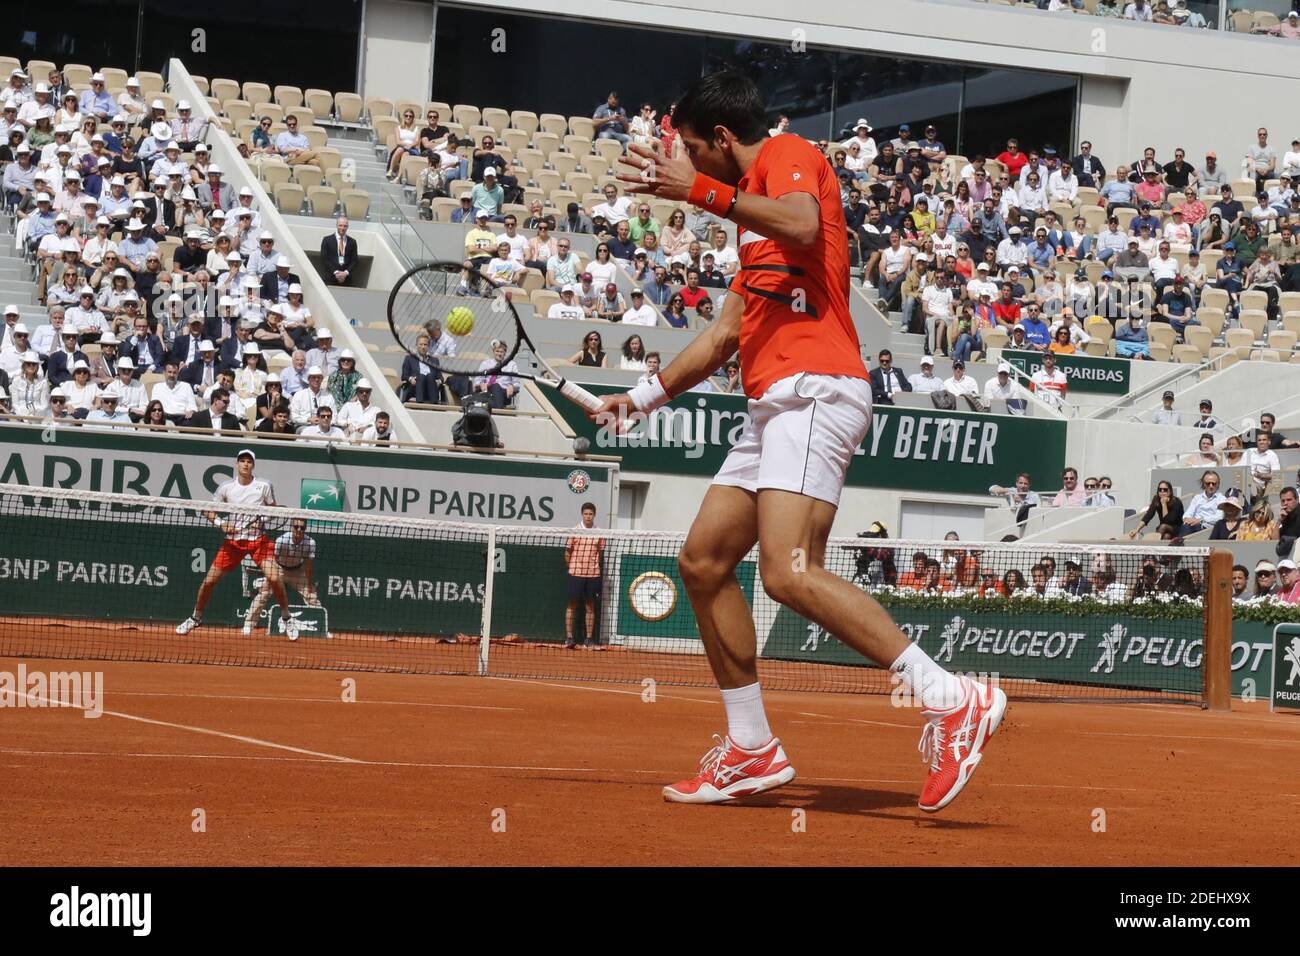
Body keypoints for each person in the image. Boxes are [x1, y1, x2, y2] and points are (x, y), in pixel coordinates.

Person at [593, 71, 1003, 810]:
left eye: (691, 150)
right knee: (704, 562)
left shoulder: (787, 155)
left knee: (787, 570)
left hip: (815, 389)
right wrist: (641, 398)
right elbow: (723, 334)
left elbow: (806, 226)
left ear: (722, 140)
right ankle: (752, 748)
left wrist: (697, 192)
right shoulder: (753, 226)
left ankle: (951, 696)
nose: (685, 163)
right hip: (773, 403)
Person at [175, 450, 298, 640]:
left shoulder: (264, 485)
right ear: (237, 464)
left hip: (259, 541)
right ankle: (195, 617)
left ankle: (286, 617)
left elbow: (273, 509)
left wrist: (264, 516)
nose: (246, 464)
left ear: (253, 465)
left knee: (275, 578)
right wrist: (222, 524)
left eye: (249, 461)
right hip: (233, 543)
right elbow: (208, 510)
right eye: (242, 461)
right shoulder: (226, 488)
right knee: (208, 582)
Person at [242, 518, 321, 636]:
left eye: (302, 528)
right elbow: (272, 560)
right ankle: (248, 625)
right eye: (296, 527)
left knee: (312, 596)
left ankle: (322, 629)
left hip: (297, 572)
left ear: (305, 529)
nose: (299, 530)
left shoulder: (310, 543)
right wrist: (270, 580)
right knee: (264, 593)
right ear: (291, 527)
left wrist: (309, 585)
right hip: (279, 569)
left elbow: (308, 566)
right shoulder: (282, 540)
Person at [564, 502, 605, 649]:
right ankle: (569, 638)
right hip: (575, 573)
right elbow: (567, 552)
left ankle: (588, 639)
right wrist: (573, 568)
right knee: (572, 605)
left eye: (590, 514)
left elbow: (599, 554)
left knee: (590, 606)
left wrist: (592, 567)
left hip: (593, 574)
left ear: (594, 515)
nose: (588, 516)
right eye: (586, 514)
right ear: (582, 514)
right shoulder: (574, 530)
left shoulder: (599, 532)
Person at [320, 217, 357, 286]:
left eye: (345, 226)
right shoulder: (327, 240)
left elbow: (354, 260)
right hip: (330, 279)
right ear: (336, 225)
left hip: (346, 280)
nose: (342, 228)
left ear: (347, 227)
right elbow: (324, 258)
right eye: (340, 225)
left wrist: (345, 273)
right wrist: (336, 272)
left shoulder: (352, 242)